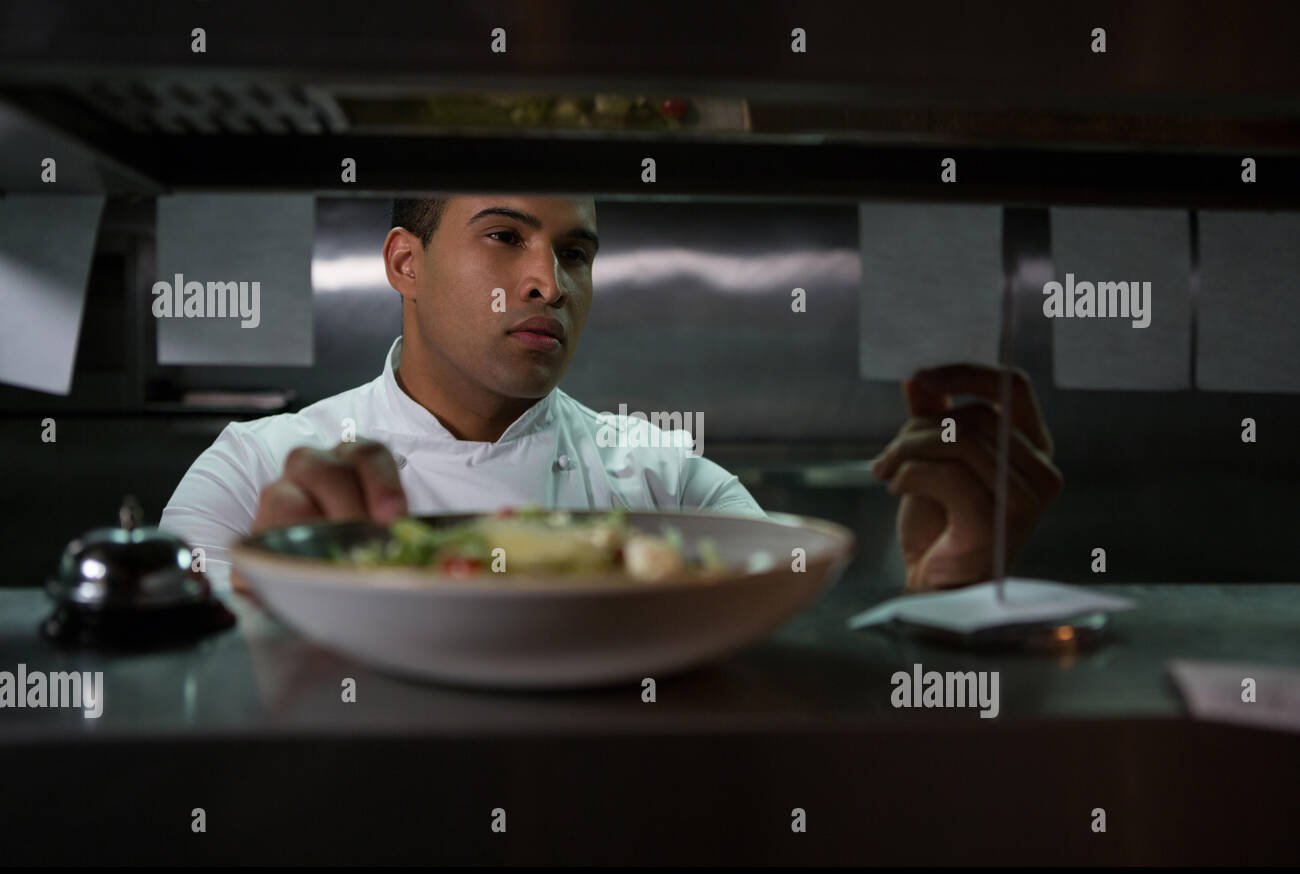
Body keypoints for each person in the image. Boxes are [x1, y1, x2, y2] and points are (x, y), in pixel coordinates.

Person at [160, 194, 1062, 593]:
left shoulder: (670, 484)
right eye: (506, 237)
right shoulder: (255, 470)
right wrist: (281, 610)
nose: (550, 282)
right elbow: (169, 724)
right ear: (405, 261)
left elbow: (774, 677)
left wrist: (943, 597)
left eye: (576, 253)